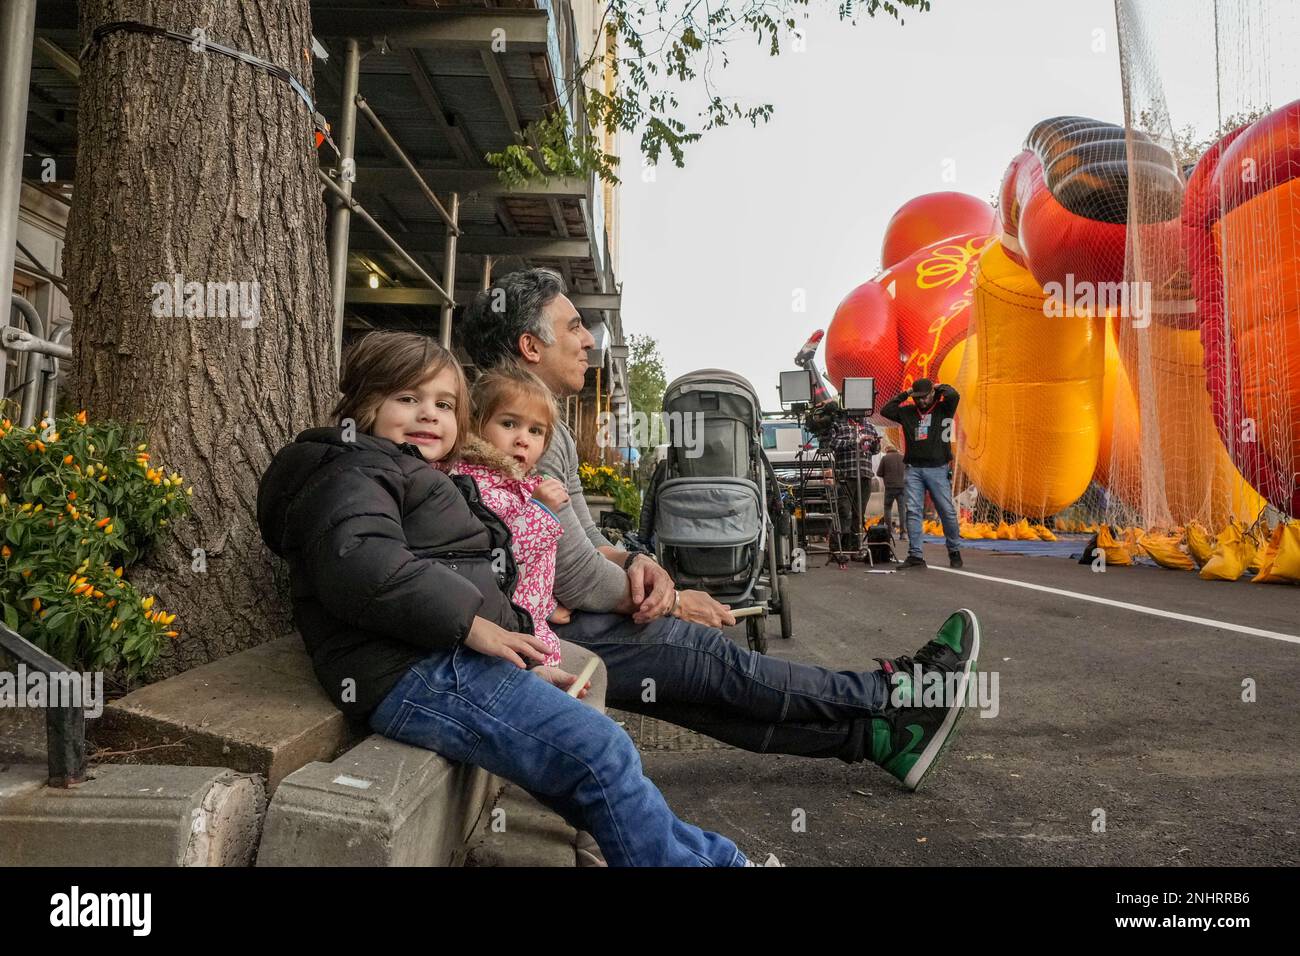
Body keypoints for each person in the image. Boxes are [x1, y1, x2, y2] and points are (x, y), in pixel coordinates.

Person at [457, 268, 980, 787]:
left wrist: (642, 564)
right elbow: (574, 577)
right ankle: (893, 693)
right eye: (573, 327)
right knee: (704, 658)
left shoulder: (544, 423)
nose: (588, 340)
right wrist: (677, 601)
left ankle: (880, 740)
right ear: (530, 345)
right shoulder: (513, 434)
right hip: (534, 631)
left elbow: (585, 542)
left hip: (548, 624)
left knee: (692, 696)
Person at [256, 331, 753, 865]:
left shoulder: (414, 472)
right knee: (599, 750)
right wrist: (473, 625)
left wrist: (520, 663)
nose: (429, 415)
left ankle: (714, 859)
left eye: (444, 405)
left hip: (443, 656)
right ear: (364, 404)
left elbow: (462, 569)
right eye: (407, 398)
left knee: (593, 757)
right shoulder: (355, 468)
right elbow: (363, 563)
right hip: (408, 668)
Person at [451, 364, 572, 665]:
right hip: (496, 624)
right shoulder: (477, 487)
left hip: (526, 614)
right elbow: (500, 559)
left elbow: (535, 566)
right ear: (478, 424)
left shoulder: (518, 484)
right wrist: (540, 511)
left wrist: (545, 604)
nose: (523, 439)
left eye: (536, 431)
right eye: (509, 424)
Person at [880, 378, 963, 569]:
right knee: (913, 511)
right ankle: (915, 554)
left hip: (938, 467)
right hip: (913, 468)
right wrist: (907, 394)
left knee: (946, 511)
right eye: (917, 398)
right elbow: (886, 410)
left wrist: (937, 388)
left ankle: (954, 550)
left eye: (925, 397)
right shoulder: (908, 412)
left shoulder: (943, 409)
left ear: (932, 394)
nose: (921, 401)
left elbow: (954, 394)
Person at [805, 398, 879, 554]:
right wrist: (855, 442)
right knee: (844, 510)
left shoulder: (870, 427)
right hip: (846, 473)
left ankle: (854, 546)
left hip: (865, 474)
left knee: (859, 512)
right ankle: (839, 545)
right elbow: (832, 444)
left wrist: (874, 443)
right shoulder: (840, 424)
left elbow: (875, 450)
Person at [877, 442, 907, 540]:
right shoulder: (903, 457)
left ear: (887, 450)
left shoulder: (885, 458)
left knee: (887, 508)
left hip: (890, 487)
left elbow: (879, 473)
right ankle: (903, 534)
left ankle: (888, 533)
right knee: (902, 510)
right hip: (902, 487)